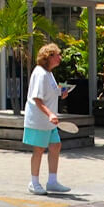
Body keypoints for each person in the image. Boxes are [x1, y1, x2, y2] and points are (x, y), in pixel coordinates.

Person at [23, 41, 70, 194]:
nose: (60, 58)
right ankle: (34, 182)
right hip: (39, 120)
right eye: (57, 55)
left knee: (56, 146)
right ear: (49, 57)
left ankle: (52, 181)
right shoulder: (40, 73)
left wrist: (61, 92)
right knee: (39, 149)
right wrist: (50, 113)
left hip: (49, 121)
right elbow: (37, 99)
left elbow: (49, 93)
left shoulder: (49, 73)